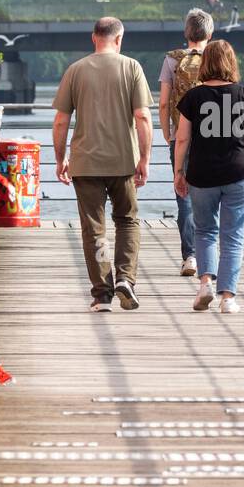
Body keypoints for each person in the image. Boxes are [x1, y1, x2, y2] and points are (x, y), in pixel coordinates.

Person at [52, 17, 153, 312]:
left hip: (85, 163)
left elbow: (60, 121)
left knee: (94, 228)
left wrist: (60, 159)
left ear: (93, 38)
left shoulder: (75, 70)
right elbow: (144, 118)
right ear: (119, 39)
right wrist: (144, 158)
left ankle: (102, 295)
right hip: (123, 161)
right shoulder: (132, 67)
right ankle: (125, 279)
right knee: (128, 220)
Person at [172, 40, 244, 314]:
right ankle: (227, 298)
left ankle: (205, 283)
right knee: (233, 235)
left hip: (202, 174)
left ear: (205, 64)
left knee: (204, 231)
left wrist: (178, 172)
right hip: (239, 172)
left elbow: (182, 139)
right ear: (231, 63)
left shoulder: (193, 97)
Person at [158, 8, 213, 277]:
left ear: (185, 33)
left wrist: (166, 131)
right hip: (214, 136)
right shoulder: (217, 57)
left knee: (184, 197)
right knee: (213, 195)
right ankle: (210, 256)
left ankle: (189, 257)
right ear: (210, 34)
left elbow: (165, 101)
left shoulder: (171, 59)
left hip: (181, 135)